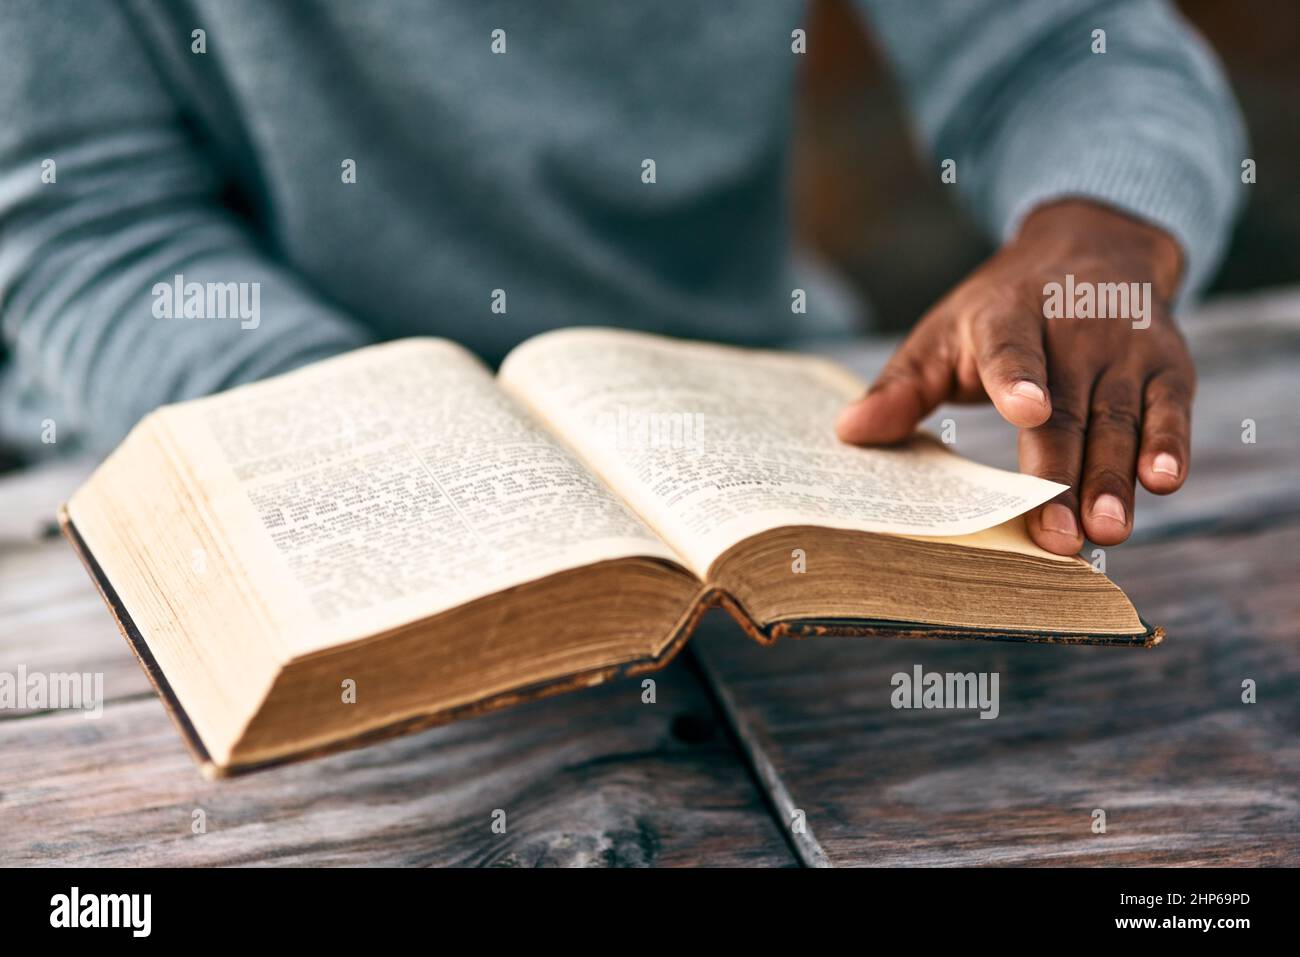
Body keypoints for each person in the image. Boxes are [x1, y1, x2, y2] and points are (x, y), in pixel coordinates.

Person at [0, 0, 1245, 556]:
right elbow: (86, 234)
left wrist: (1099, 239)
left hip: (724, 431)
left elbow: (1065, 43)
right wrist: (390, 436)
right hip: (194, 446)